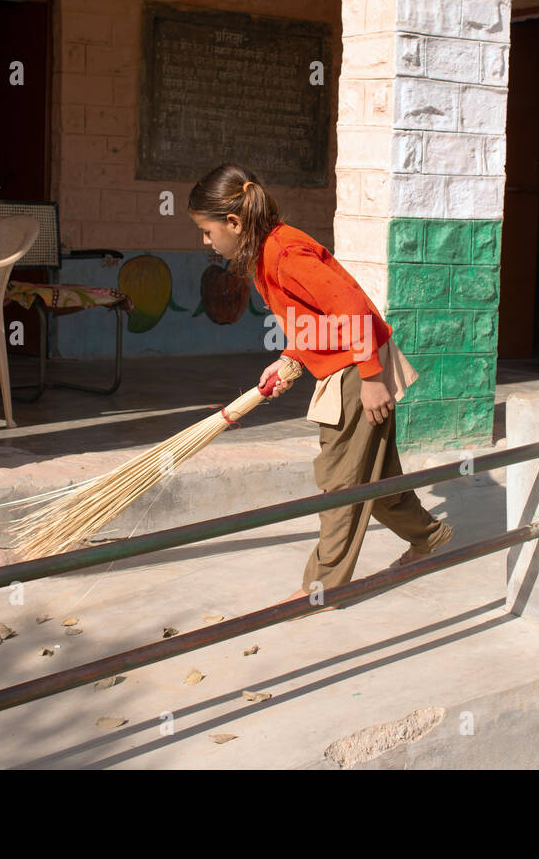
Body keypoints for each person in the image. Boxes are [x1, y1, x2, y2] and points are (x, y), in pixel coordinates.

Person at [187, 163, 452, 605]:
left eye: (207, 231)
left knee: (341, 481)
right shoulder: (265, 252)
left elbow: (350, 308)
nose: (205, 241)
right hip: (348, 363)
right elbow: (314, 317)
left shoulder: (286, 254)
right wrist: (291, 359)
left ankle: (321, 587)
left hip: (356, 366)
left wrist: (371, 379)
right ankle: (430, 537)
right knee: (374, 476)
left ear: (233, 222)